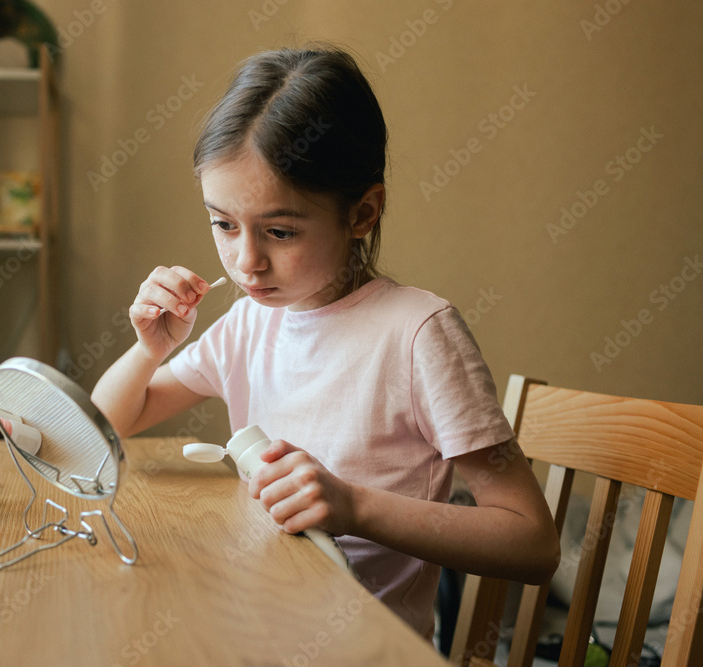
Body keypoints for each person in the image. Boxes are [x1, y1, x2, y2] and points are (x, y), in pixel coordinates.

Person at [91, 46, 559, 638]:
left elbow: (533, 543)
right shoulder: (249, 323)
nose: (246, 261)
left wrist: (354, 507)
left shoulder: (417, 334)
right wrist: (149, 350)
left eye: (279, 231)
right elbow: (108, 422)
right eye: (223, 224)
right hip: (259, 623)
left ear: (363, 212)